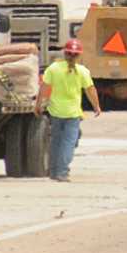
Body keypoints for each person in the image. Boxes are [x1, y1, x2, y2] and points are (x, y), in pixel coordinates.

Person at [36, 39, 102, 182]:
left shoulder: (53, 68)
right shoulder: (82, 71)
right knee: (68, 143)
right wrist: (96, 106)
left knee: (55, 141)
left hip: (55, 112)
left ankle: (53, 171)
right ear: (79, 56)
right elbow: (90, 90)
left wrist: (38, 105)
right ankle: (62, 172)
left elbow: (44, 88)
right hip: (72, 114)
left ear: (64, 53)